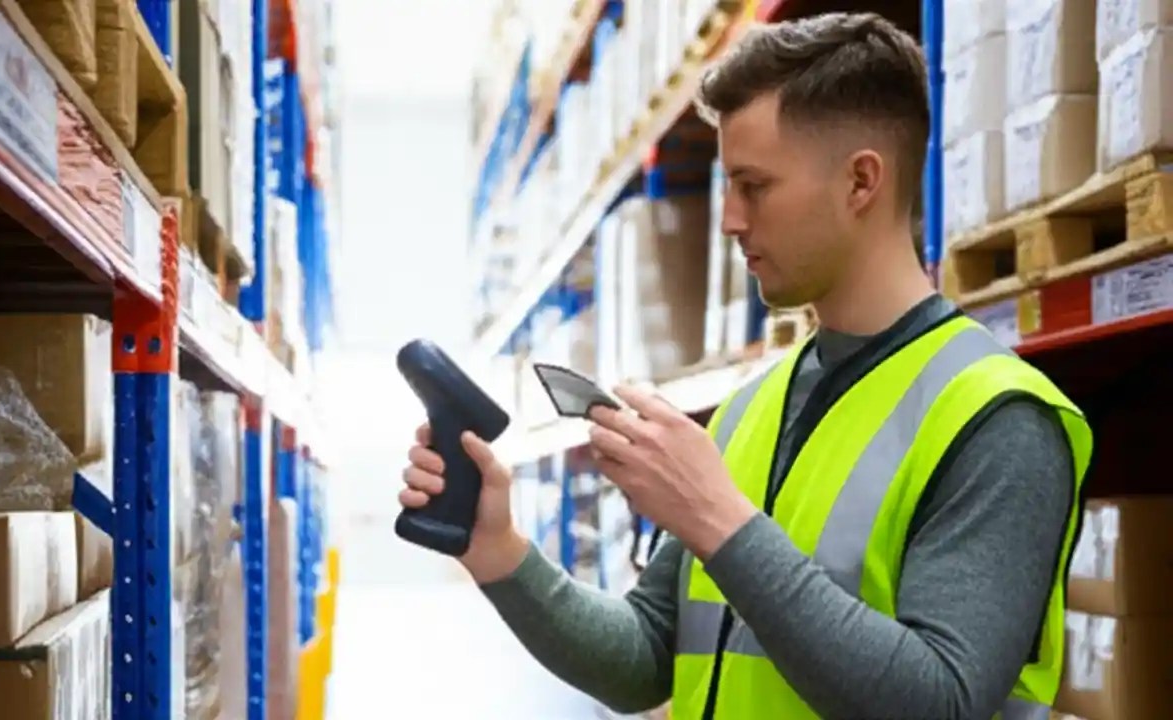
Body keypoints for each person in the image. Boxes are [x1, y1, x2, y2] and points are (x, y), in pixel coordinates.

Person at [399, 12, 1092, 720]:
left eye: (754, 186)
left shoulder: (998, 419)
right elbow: (644, 659)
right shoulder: (752, 408)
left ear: (861, 182)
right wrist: (500, 550)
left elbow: (939, 701)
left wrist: (719, 521)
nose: (728, 219)